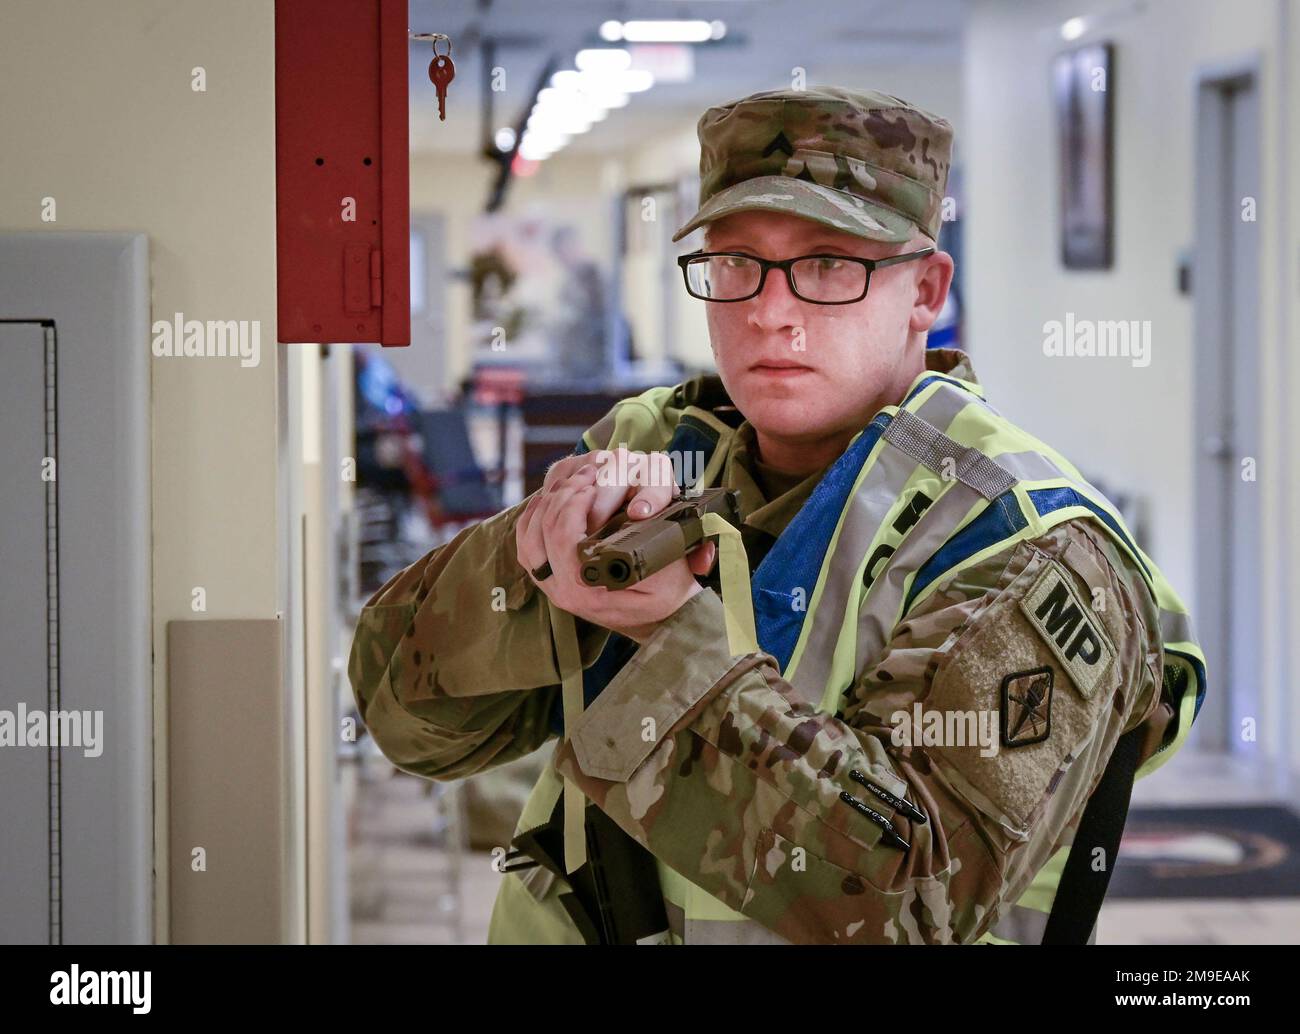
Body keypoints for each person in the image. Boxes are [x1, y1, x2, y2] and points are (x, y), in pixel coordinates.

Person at [347, 87, 1205, 944]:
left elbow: (904, 908)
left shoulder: (1028, 544)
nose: (769, 311)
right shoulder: (653, 447)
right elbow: (405, 721)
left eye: (830, 264)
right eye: (736, 263)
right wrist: (527, 559)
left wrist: (669, 644)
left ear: (925, 292)